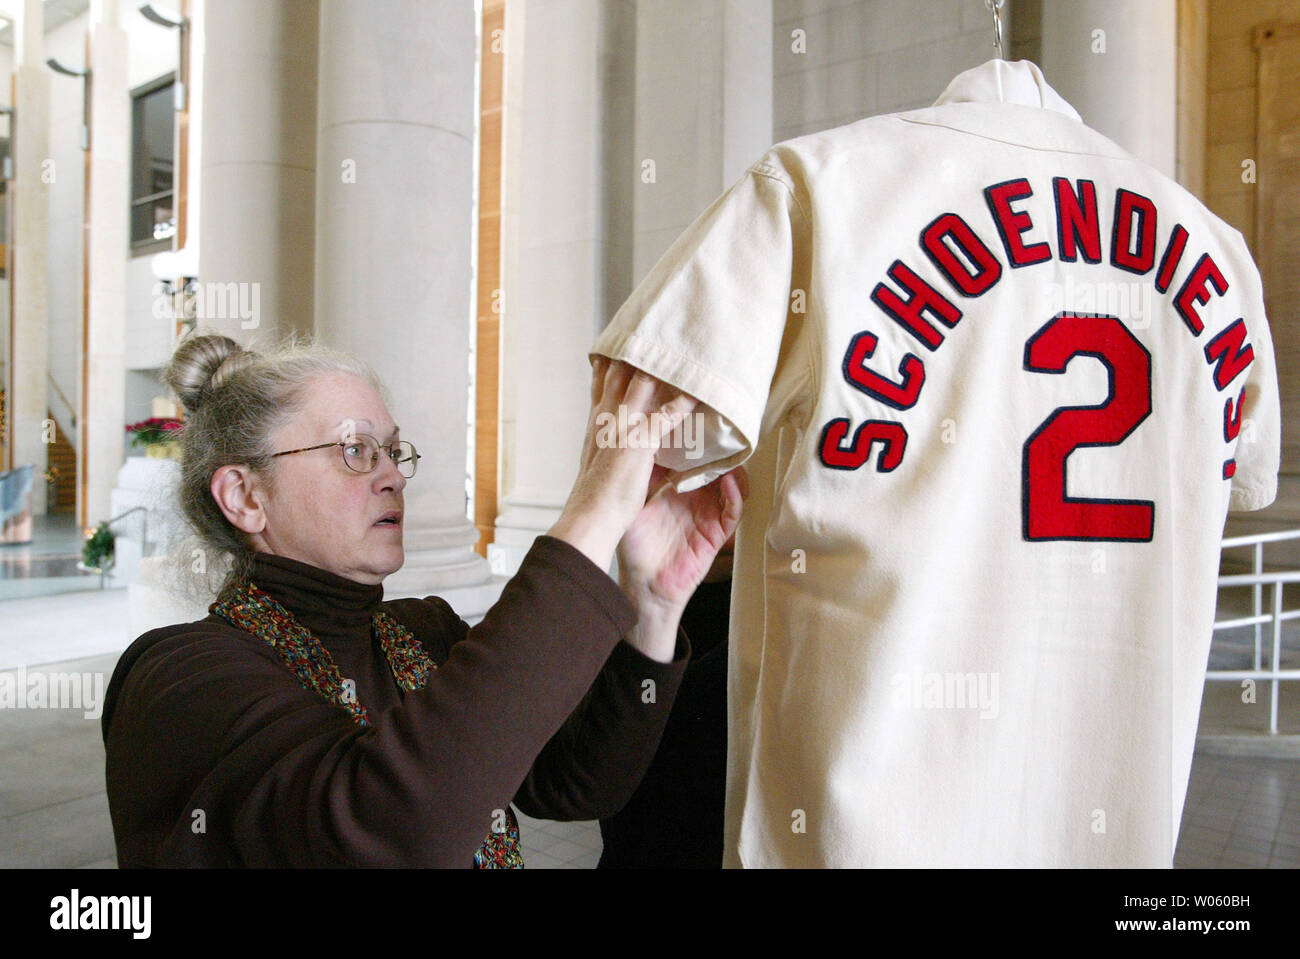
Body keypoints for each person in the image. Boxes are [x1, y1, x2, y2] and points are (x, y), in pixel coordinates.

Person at [590, 59, 1280, 866]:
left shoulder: (817, 186)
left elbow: (636, 428)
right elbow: (1249, 476)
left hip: (860, 831)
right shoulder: (1220, 253)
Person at [101, 332, 745, 867]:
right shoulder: (177, 677)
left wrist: (654, 598)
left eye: (391, 449)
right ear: (245, 496)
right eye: (354, 450)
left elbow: (579, 782)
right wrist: (593, 510)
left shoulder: (423, 632)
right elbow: (393, 831)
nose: (392, 474)